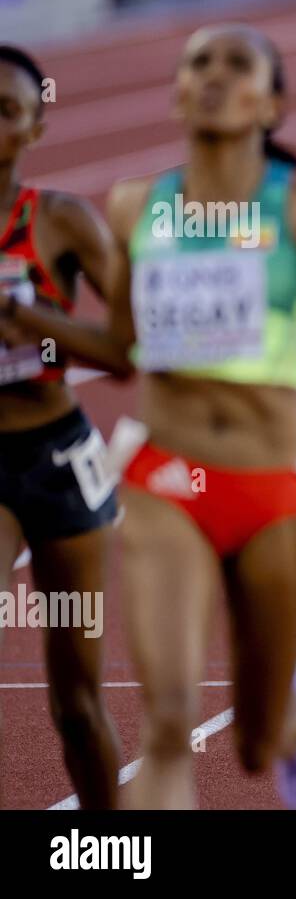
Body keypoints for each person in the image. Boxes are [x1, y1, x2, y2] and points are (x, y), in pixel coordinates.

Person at [3, 24, 296, 808]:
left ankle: (294, 711)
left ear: (272, 102)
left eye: (237, 65)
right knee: (169, 723)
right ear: (179, 91)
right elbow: (121, 346)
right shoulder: (133, 207)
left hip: (274, 489)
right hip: (165, 483)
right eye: (199, 65)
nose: (215, 76)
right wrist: (33, 326)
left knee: (253, 743)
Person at [0, 45, 121, 809]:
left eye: (8, 112)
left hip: (59, 457)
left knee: (75, 704)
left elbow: (131, 348)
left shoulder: (61, 220)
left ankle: (110, 846)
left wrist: (30, 319)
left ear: (35, 127)